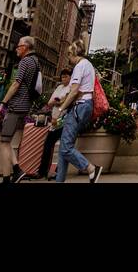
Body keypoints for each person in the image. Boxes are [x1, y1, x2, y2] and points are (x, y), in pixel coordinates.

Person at [53, 37, 102, 183]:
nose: (68, 57)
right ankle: (59, 180)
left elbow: (74, 91)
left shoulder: (80, 66)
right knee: (64, 146)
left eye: (69, 54)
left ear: (74, 53)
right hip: (85, 106)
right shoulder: (89, 65)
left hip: (79, 107)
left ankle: (91, 168)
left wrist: (61, 109)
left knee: (66, 147)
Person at [0, 35, 41, 183]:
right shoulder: (36, 62)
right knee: (8, 141)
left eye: (18, 46)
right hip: (26, 106)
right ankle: (16, 170)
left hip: (16, 106)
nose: (16, 48)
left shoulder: (25, 62)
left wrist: (3, 103)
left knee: (4, 141)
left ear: (25, 47)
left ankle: (6, 178)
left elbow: (16, 84)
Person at [37, 69, 73, 181]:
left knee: (63, 147)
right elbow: (50, 102)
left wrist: (58, 102)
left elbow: (65, 102)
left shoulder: (72, 87)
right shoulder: (59, 88)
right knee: (47, 145)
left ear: (70, 77)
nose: (64, 79)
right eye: (62, 77)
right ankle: (42, 171)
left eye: (66, 76)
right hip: (54, 120)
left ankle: (59, 172)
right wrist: (58, 102)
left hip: (64, 120)